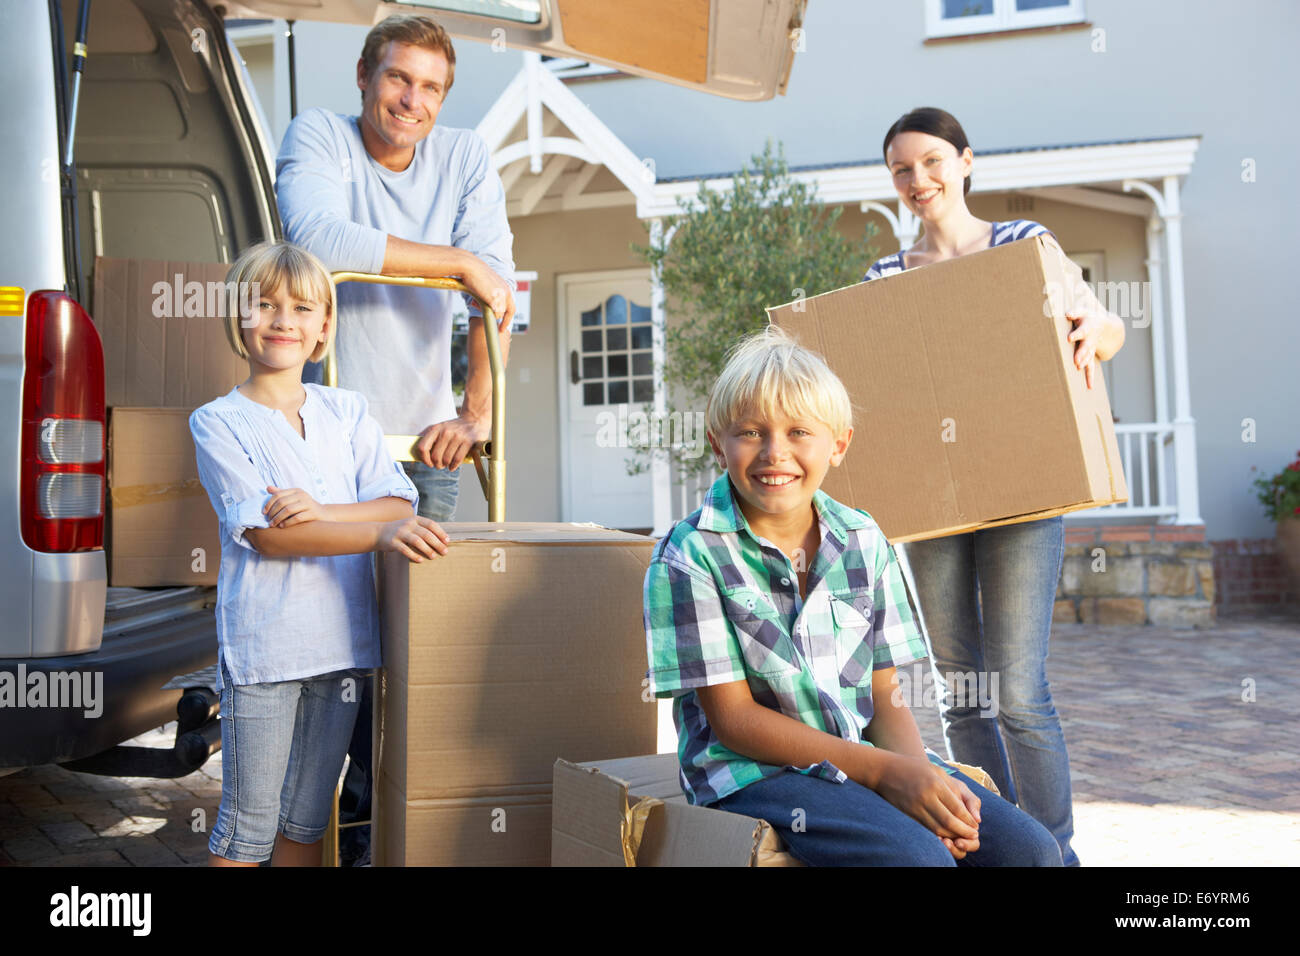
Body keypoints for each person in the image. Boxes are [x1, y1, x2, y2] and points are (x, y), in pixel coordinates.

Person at [642, 326, 1062, 866]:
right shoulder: (689, 556)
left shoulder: (864, 540)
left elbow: (884, 697)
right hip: (754, 772)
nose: (776, 453)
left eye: (799, 432)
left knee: (1031, 853)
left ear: (838, 444)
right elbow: (736, 723)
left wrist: (921, 782)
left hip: (863, 758)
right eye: (750, 432)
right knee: (918, 862)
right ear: (716, 442)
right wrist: (886, 775)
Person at [863, 107, 1128, 867]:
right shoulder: (885, 278)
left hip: (1022, 491)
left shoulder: (1021, 246)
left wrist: (1092, 334)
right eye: (903, 169)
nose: (920, 179)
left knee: (1017, 692)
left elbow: (1101, 322)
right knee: (963, 692)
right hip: (936, 505)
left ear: (967, 162)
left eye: (934, 161)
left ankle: (1056, 855)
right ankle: (991, 847)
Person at [190, 241, 449, 866]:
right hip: (267, 652)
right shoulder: (217, 421)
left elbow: (397, 505)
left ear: (324, 327)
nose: (283, 320)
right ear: (239, 317)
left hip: (342, 650)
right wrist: (374, 531)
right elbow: (271, 535)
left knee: (306, 823)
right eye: (265, 304)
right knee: (247, 827)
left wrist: (322, 510)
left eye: (302, 307)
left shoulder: (347, 410)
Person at [276, 12, 516, 523]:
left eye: (430, 87)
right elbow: (318, 241)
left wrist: (476, 416)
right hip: (322, 431)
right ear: (364, 75)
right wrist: (459, 262)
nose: (413, 101)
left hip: (425, 445)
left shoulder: (464, 156)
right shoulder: (318, 134)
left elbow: (493, 292)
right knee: (333, 596)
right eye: (398, 78)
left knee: (419, 601)